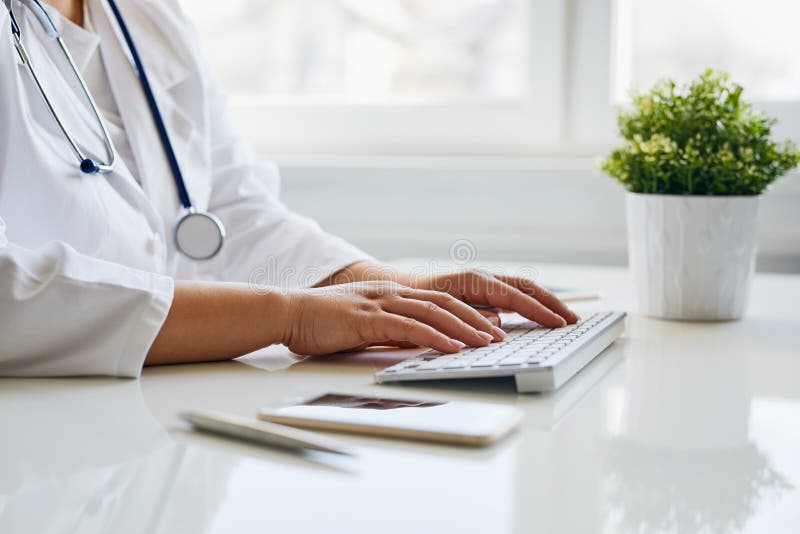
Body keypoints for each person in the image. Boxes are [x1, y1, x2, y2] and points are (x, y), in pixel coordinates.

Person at [0, 0, 577, 377]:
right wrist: (286, 314)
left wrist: (386, 286)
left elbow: (230, 210)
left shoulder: (144, 15)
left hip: (153, 422)